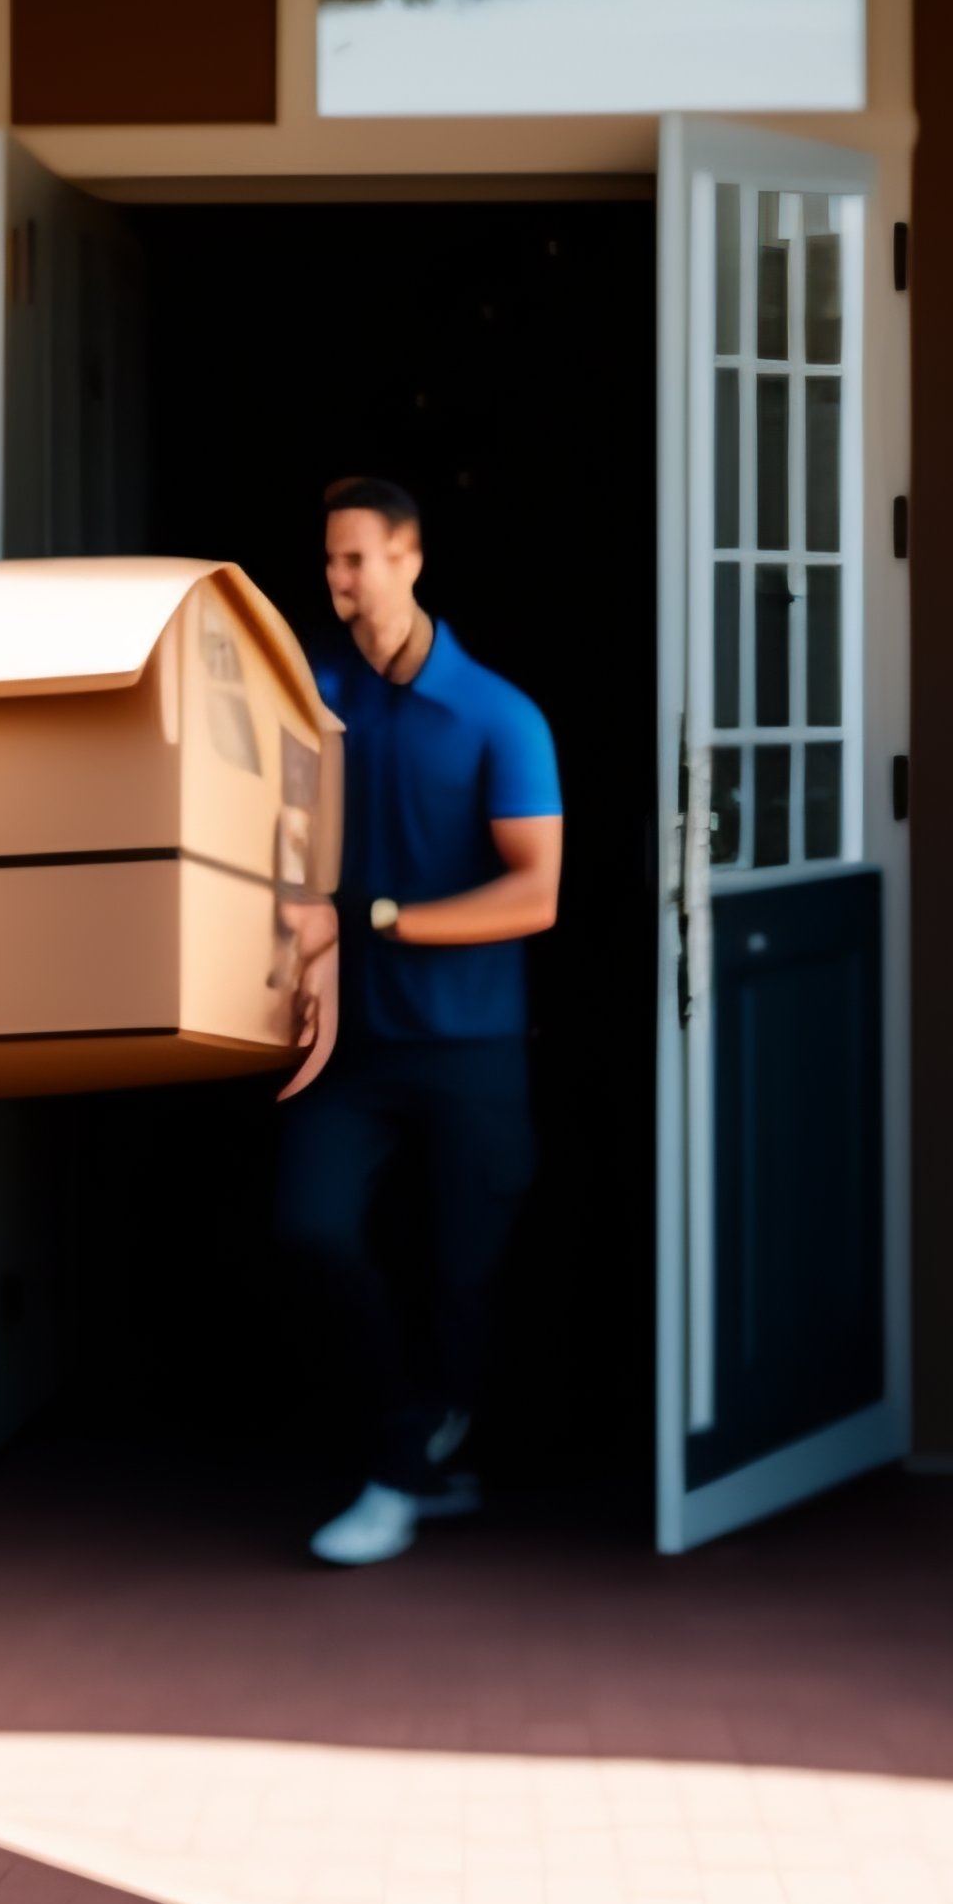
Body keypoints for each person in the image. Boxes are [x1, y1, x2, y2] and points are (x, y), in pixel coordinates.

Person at [276, 476, 562, 1566]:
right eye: (330, 564)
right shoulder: (316, 693)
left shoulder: (498, 714)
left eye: (358, 560)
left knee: (465, 1274)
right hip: (350, 1043)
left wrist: (380, 917)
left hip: (470, 1046)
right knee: (309, 1232)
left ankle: (422, 1455)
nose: (341, 585)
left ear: (410, 558)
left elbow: (534, 893)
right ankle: (398, 1461)